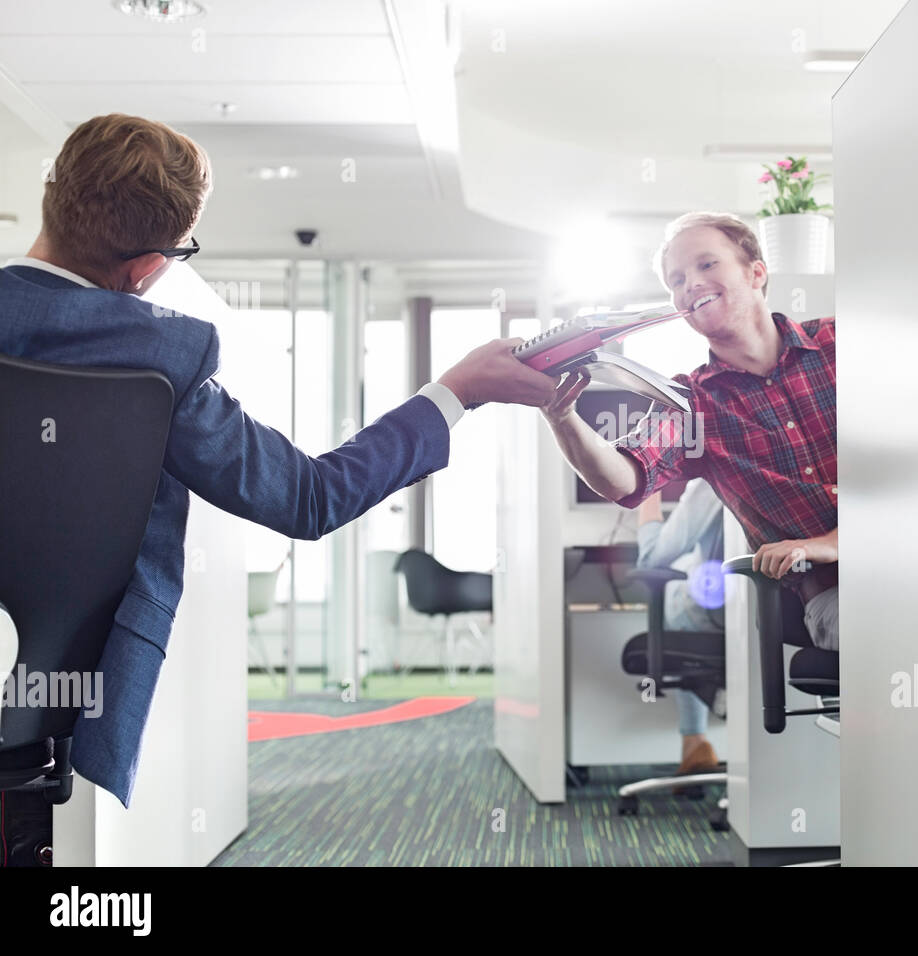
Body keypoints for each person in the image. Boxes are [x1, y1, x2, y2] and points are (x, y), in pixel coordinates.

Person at [0, 113, 556, 812]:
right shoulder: (160, 356)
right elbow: (310, 497)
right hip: (67, 696)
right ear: (148, 266)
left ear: (52, 194)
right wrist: (456, 393)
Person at [542, 211, 838, 651]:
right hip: (839, 598)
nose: (690, 284)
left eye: (706, 264)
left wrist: (835, 542)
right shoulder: (691, 401)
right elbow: (625, 479)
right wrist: (562, 417)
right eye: (676, 280)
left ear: (756, 273)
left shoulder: (839, 343)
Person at [635, 480, 725, 777]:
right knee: (690, 571)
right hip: (784, 618)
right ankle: (694, 741)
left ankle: (694, 738)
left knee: (674, 583)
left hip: (717, 620)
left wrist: (646, 487)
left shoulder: (716, 475)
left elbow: (652, 556)